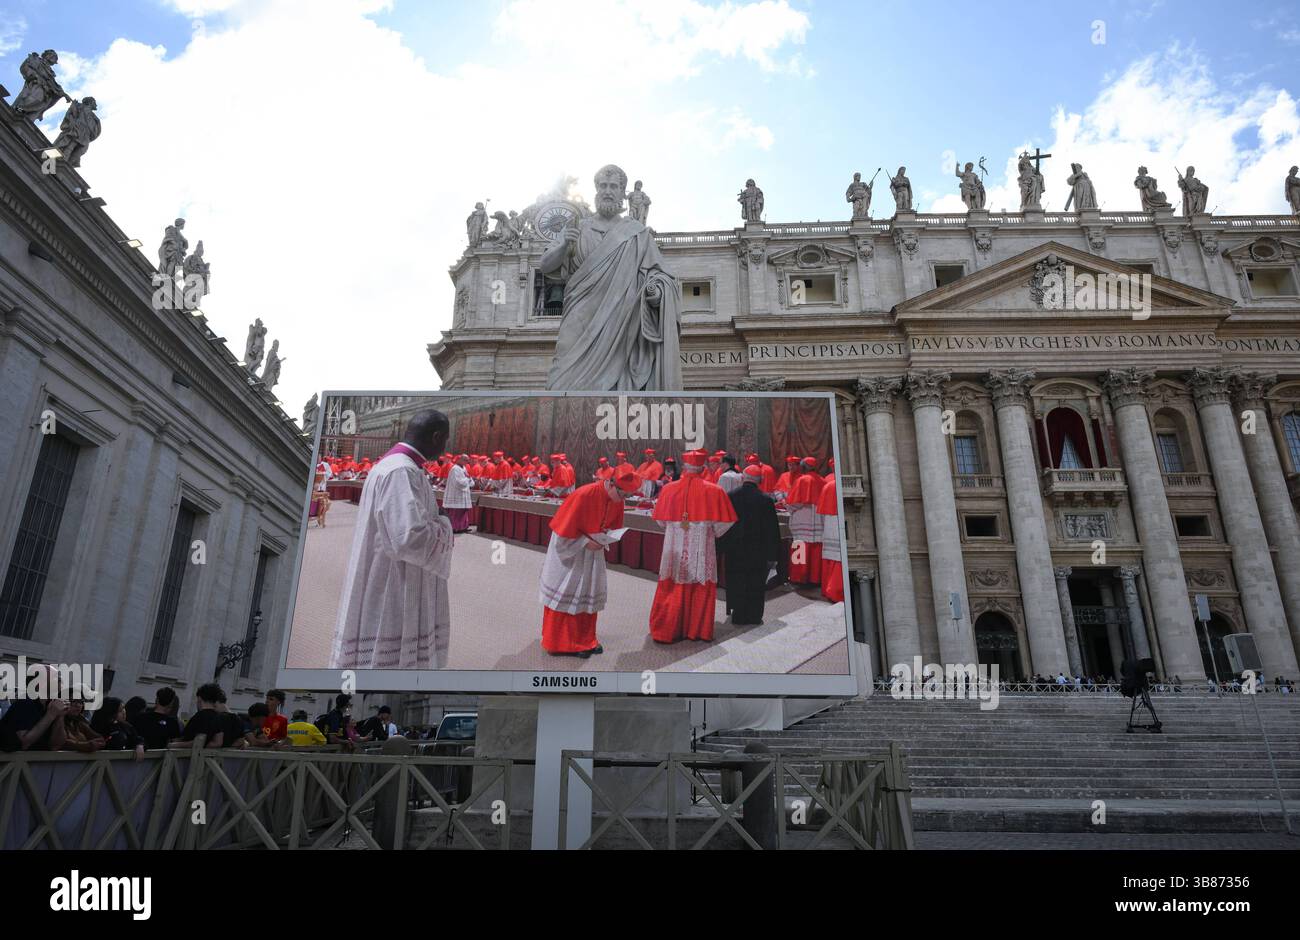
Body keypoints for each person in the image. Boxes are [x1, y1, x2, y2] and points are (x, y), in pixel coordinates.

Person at [332, 410, 456, 670]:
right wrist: (444, 524)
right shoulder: (401, 472)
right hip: (394, 577)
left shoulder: (396, 466)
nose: (445, 447)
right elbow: (409, 538)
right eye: (444, 440)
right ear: (435, 437)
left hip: (388, 568)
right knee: (391, 654)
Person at [539, 467, 641, 656]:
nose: (623, 499)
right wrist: (586, 542)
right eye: (622, 494)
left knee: (587, 591)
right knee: (567, 591)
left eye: (628, 496)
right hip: (571, 552)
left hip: (592, 552)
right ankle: (559, 644)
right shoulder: (584, 495)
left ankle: (585, 640)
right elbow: (562, 535)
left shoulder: (617, 498)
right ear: (611, 484)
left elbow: (610, 525)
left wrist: (604, 538)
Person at [649, 450, 738, 643]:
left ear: (684, 466)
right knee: (700, 581)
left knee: (673, 582)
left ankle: (669, 629)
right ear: (702, 467)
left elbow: (661, 523)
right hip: (702, 548)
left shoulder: (669, 489)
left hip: (674, 545)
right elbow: (723, 527)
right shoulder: (715, 491)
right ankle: (697, 630)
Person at [718, 465, 782, 625]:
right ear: (760, 481)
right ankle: (754, 615)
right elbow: (772, 530)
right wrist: (773, 554)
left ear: (743, 478)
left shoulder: (731, 496)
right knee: (756, 582)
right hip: (757, 551)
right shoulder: (766, 500)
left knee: (736, 580)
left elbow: (724, 524)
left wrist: (720, 548)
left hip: (735, 549)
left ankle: (738, 615)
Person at [0, 665, 68, 752]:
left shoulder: (50, 706)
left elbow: (55, 746)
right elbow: (24, 743)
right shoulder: (25, 704)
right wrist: (51, 715)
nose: (60, 679)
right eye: (55, 676)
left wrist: (60, 717)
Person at [787, 457, 825, 585]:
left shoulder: (802, 480)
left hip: (803, 518)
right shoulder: (822, 481)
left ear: (803, 467)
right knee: (815, 549)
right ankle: (814, 578)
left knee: (800, 547)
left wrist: (787, 506)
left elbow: (795, 502)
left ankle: (798, 577)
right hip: (818, 519)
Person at [172, 684, 228, 749]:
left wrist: (174, 745)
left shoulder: (200, 716)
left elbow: (198, 742)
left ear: (199, 698)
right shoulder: (219, 717)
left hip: (188, 756)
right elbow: (218, 743)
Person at [816, 472, 844, 603]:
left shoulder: (827, 486)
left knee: (830, 556)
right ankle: (836, 592)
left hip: (828, 525)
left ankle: (827, 589)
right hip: (840, 525)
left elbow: (820, 513)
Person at [443, 453, 474, 532]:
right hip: (456, 494)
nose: (467, 462)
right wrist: (468, 479)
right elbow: (458, 482)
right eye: (465, 460)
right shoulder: (455, 469)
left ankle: (463, 527)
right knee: (456, 512)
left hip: (463, 494)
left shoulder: (463, 468)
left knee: (463, 511)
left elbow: (468, 478)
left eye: (467, 460)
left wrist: (469, 479)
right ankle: (455, 527)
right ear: (460, 459)